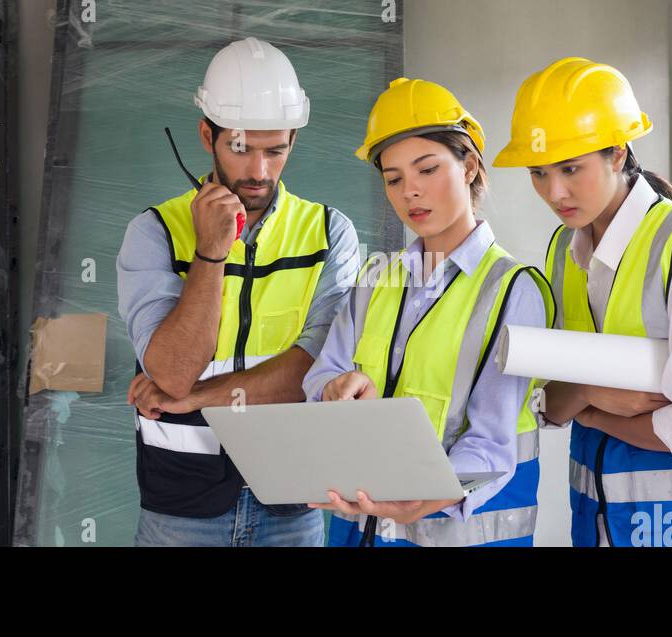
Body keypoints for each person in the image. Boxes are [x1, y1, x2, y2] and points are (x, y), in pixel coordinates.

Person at [492, 57, 672, 547]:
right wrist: (588, 393)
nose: (553, 191)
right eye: (538, 172)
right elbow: (548, 401)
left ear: (616, 154)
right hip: (609, 521)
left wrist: (593, 407)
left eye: (570, 168)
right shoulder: (565, 253)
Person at [117, 37, 360, 547]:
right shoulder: (154, 232)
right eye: (241, 147)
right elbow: (173, 371)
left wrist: (195, 400)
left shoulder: (329, 232)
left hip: (292, 498)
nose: (259, 171)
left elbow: (316, 367)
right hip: (180, 506)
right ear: (208, 134)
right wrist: (210, 252)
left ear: (294, 138)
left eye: (276, 150)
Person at [304, 78, 553, 547]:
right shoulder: (377, 278)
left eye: (427, 170)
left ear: (470, 166)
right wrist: (334, 388)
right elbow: (321, 377)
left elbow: (490, 444)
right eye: (394, 179)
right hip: (361, 530)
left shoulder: (513, 290)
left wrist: (414, 497)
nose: (410, 192)